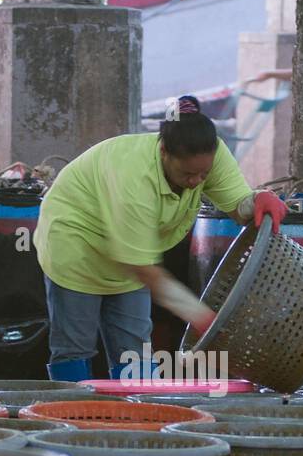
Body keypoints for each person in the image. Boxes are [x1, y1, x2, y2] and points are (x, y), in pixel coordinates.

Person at [34, 95, 288, 382]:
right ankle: (69, 418)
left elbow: (237, 202)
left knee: (134, 349)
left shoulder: (210, 155)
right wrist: (201, 316)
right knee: (75, 345)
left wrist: (257, 201)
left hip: (133, 253)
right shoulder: (135, 180)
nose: (196, 181)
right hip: (77, 241)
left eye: (203, 174)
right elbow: (145, 270)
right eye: (188, 174)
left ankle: (139, 416)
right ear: (164, 150)